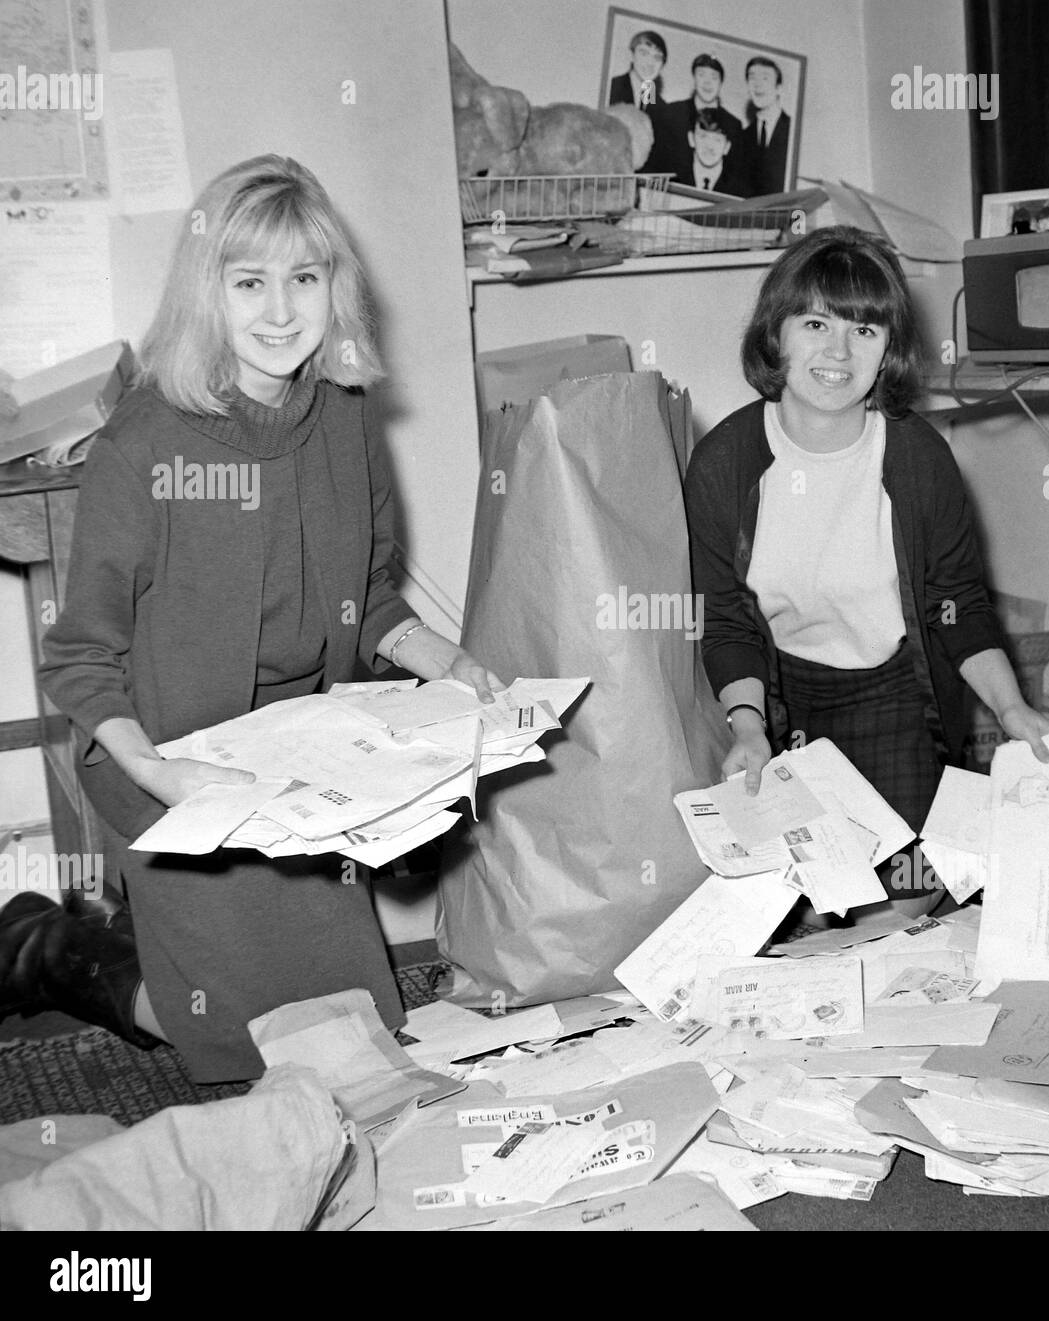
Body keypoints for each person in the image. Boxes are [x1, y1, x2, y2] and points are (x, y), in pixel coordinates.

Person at [0, 155, 503, 1082]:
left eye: (303, 279)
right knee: (234, 1042)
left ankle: (75, 947)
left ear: (332, 290)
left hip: (297, 741)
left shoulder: (343, 417)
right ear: (208, 294)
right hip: (164, 750)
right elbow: (78, 658)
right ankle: (46, 949)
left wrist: (450, 662)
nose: (280, 311)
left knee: (352, 1031)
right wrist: (162, 772)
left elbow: (376, 594)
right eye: (249, 283)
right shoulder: (141, 445)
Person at [683, 226, 1049, 918]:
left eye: (864, 330)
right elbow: (728, 620)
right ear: (778, 333)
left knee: (907, 899)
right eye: (816, 322)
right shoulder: (722, 464)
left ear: (888, 352)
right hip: (774, 689)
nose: (837, 351)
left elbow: (957, 606)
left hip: (887, 685)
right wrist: (747, 728)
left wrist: (1011, 708)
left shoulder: (917, 458)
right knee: (793, 911)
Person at [654, 54, 745, 186]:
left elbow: (735, 176)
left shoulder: (733, 125)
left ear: (721, 83)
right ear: (694, 78)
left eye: (714, 77)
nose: (707, 82)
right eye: (701, 75)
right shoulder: (672, 113)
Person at [740, 56, 792, 196]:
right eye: (752, 78)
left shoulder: (793, 132)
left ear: (778, 88)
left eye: (765, 78)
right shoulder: (742, 136)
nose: (757, 84)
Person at [681, 106, 749, 194]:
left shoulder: (741, 189)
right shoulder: (672, 179)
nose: (709, 146)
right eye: (703, 136)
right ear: (691, 139)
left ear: (727, 147)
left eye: (717, 140)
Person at [608, 28, 667, 110]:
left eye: (657, 57)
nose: (650, 62)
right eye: (644, 53)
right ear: (631, 55)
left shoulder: (660, 105)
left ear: (662, 66)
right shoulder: (611, 88)